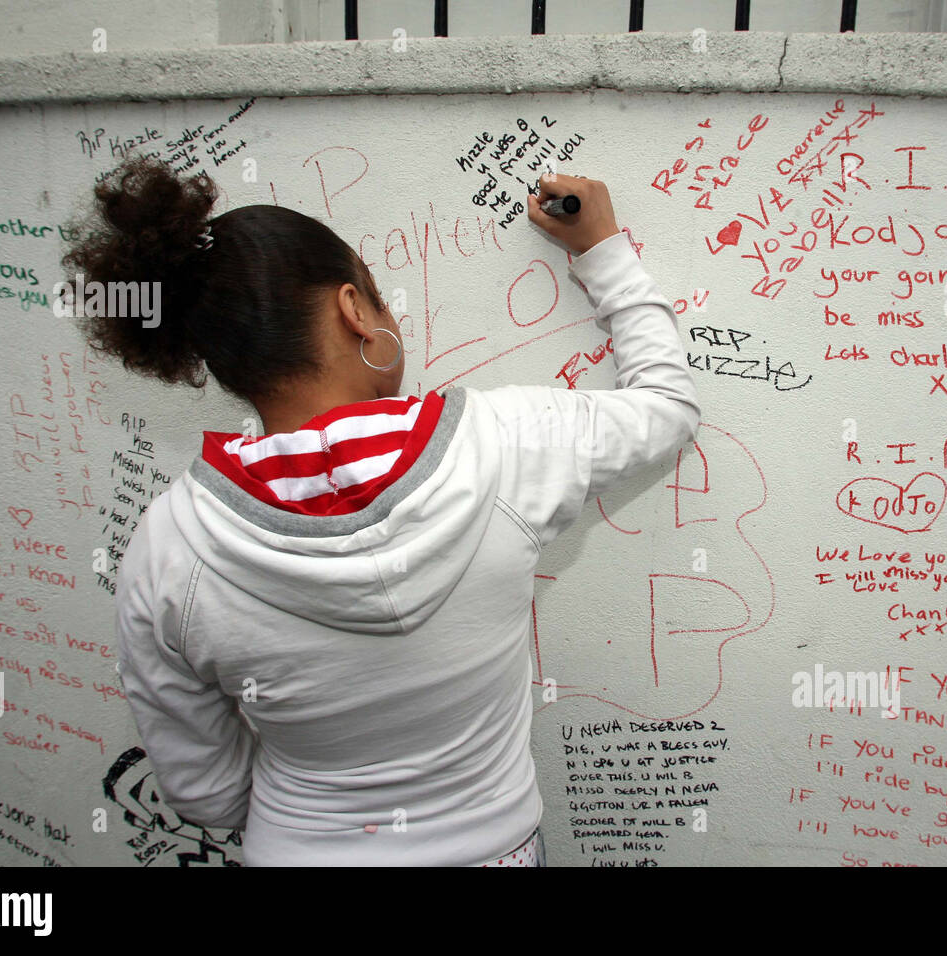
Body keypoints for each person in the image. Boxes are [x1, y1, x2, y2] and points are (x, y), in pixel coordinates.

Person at [68, 153, 700, 866]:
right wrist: (601, 251)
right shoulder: (509, 444)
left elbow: (206, 793)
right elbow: (667, 409)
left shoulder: (166, 548)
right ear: (353, 310)